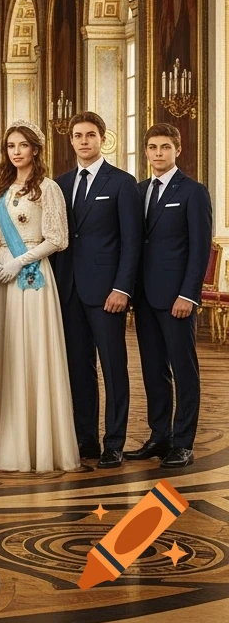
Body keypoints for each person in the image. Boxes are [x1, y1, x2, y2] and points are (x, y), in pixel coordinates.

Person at [0, 121, 80, 473]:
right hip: (2, 279)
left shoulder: (48, 189)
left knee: (32, 354)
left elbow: (58, 238)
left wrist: (18, 261)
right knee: (3, 351)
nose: (16, 151)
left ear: (35, 149)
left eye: (22, 145)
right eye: (10, 146)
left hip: (33, 276)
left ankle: (35, 445)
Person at [52, 112, 142, 467]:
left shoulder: (122, 182)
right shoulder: (59, 184)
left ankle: (115, 441)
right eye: (78, 135)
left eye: (91, 135)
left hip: (107, 292)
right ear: (70, 140)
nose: (84, 141)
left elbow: (132, 242)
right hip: (69, 290)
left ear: (103, 138)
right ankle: (85, 437)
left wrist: (122, 287)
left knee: (114, 367)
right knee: (78, 368)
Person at [125, 124, 212, 469]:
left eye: (164, 147)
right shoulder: (139, 190)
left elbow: (200, 248)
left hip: (177, 298)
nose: (158, 153)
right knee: (153, 369)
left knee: (184, 370)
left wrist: (188, 294)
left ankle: (183, 443)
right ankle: (159, 436)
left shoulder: (193, 191)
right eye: (152, 147)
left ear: (178, 150)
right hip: (144, 297)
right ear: (145, 151)